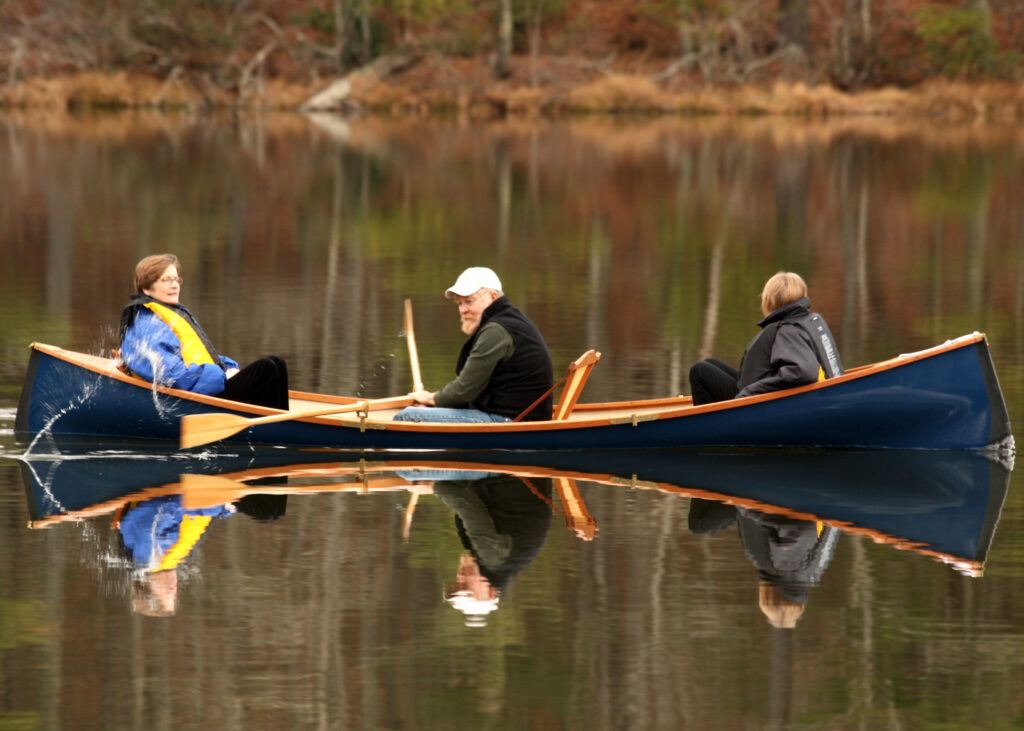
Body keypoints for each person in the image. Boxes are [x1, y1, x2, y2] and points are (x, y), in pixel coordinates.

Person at [118, 253, 289, 409]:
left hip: (205, 386)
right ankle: (278, 429)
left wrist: (228, 367)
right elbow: (172, 376)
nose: (175, 285)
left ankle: (278, 423)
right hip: (192, 399)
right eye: (166, 280)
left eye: (177, 280)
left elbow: (198, 354)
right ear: (146, 288)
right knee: (268, 369)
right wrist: (221, 376)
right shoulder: (148, 325)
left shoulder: (167, 314)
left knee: (276, 364)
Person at [394, 267, 554, 423]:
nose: (463, 310)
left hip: (512, 421)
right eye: (459, 303)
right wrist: (433, 403)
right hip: (512, 416)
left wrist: (430, 398)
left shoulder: (496, 331)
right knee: (425, 410)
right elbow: (468, 391)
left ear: (492, 296)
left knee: (408, 415)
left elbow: (464, 390)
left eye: (469, 301)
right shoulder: (509, 321)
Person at [688, 271, 843, 405]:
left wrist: (750, 391)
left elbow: (804, 371)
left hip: (756, 403)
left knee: (699, 371)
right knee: (710, 364)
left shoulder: (787, 329)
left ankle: (708, 428)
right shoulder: (808, 321)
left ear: (769, 302)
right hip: (758, 393)